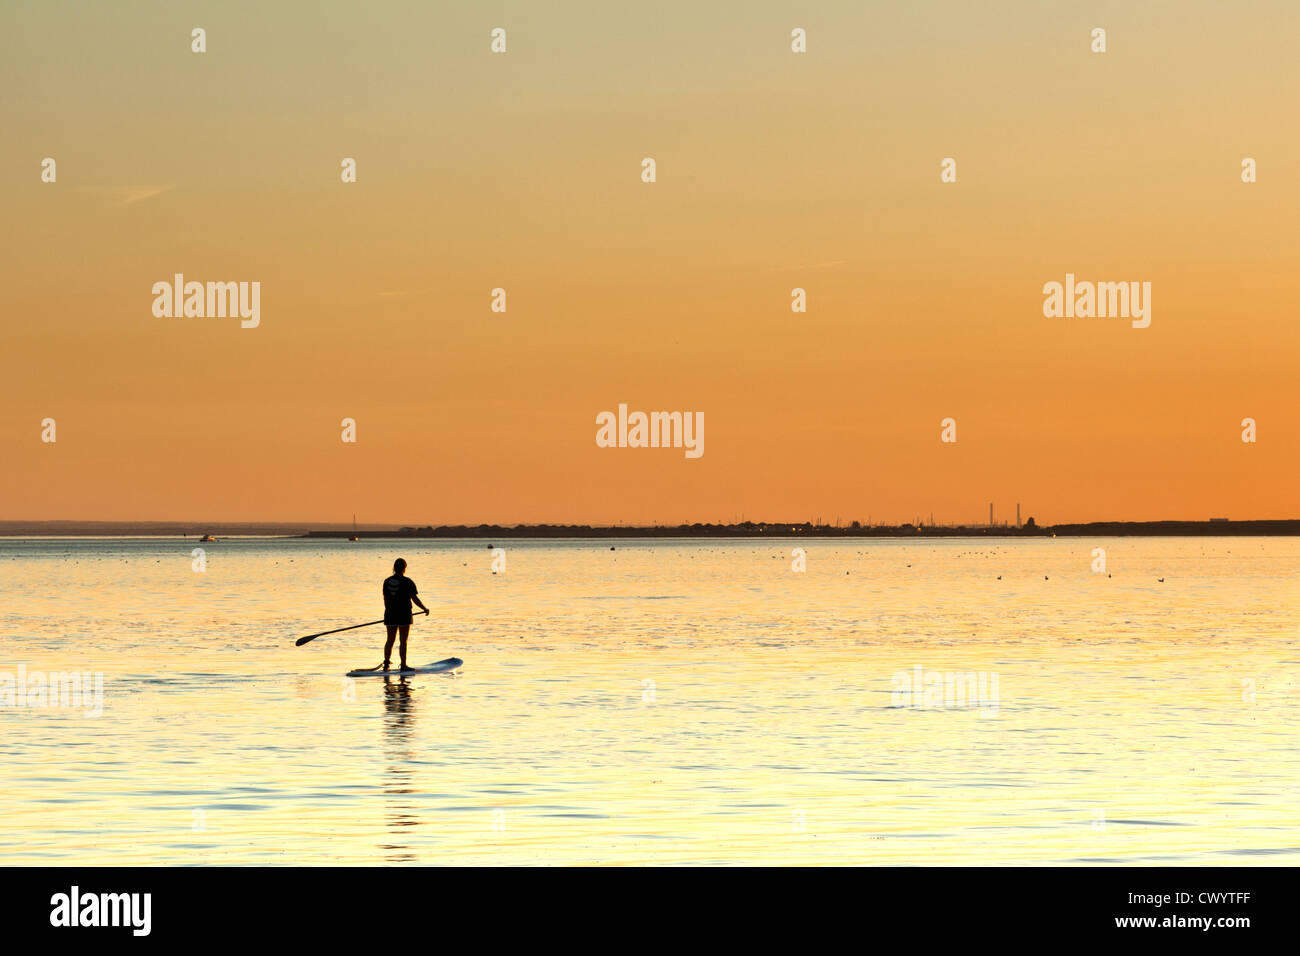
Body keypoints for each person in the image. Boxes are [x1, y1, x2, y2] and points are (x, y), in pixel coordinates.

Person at [382, 558, 428, 671]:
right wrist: (424, 608)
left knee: (390, 640)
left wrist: (390, 611)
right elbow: (415, 599)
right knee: (403, 640)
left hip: (390, 614)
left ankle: (386, 664)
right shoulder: (408, 582)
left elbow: (385, 600)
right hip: (404, 614)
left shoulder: (386, 581)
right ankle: (403, 665)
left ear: (394, 568)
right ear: (404, 568)